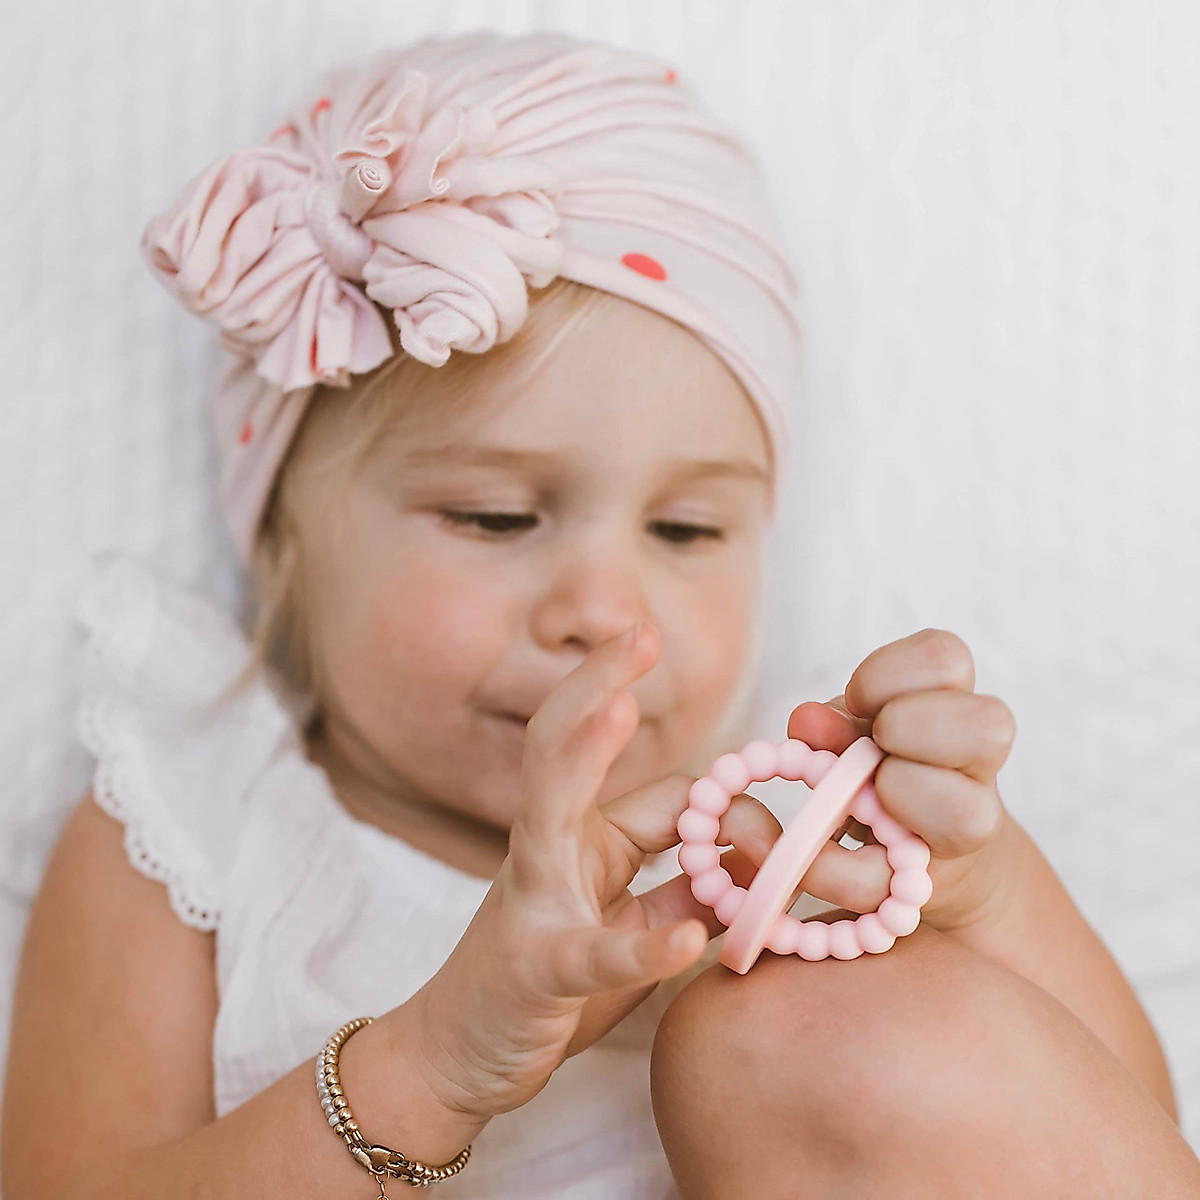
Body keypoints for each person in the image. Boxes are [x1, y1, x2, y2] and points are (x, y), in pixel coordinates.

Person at [3, 28, 1198, 1200]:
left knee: (823, 1028)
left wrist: (987, 894)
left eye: (686, 532)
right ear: (281, 542)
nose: (602, 611)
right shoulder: (198, 830)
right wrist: (429, 1067)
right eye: (493, 518)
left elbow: (1127, 1139)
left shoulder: (783, 855)